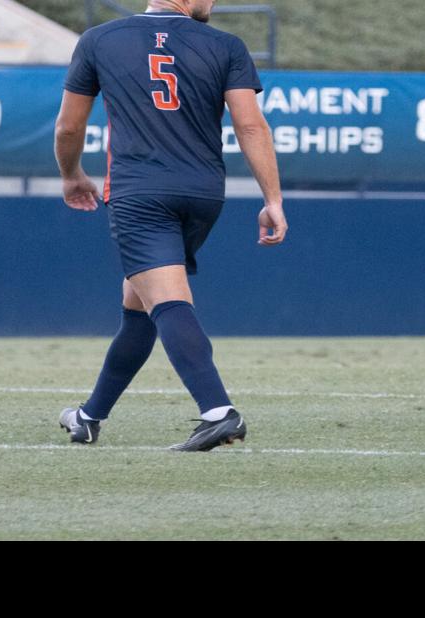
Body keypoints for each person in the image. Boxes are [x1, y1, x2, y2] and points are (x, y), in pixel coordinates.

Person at [51, 0, 287, 451]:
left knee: (168, 302)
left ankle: (218, 412)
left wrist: (70, 174)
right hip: (203, 194)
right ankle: (89, 416)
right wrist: (272, 199)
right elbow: (251, 127)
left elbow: (68, 127)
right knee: (139, 304)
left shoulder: (100, 40)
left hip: (140, 192)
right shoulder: (226, 45)